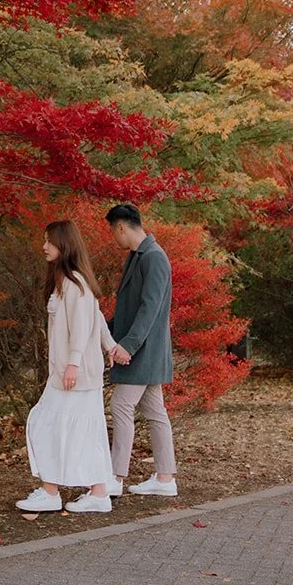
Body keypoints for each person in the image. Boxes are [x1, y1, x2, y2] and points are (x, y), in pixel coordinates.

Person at [16, 219, 120, 514]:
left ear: (65, 244)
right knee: (53, 426)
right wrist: (110, 345)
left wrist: (73, 363)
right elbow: (97, 318)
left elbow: (84, 324)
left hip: (75, 374)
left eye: (49, 241)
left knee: (56, 426)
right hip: (66, 372)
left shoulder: (76, 283)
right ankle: (59, 491)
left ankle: (86, 492)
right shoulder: (66, 281)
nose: (44, 246)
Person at [103, 203, 178, 498]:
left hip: (142, 351)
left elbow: (150, 309)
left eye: (113, 231)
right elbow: (129, 309)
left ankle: (115, 477)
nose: (114, 238)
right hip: (141, 350)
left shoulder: (154, 258)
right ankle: (165, 477)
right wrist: (104, 331)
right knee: (155, 412)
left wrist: (127, 346)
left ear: (121, 226)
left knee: (121, 406)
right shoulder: (138, 256)